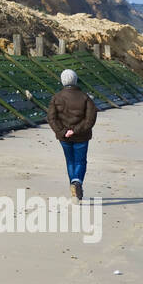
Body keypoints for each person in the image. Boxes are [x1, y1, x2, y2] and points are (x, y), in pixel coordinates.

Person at [46, 68, 97, 200]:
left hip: (64, 137)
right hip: (82, 136)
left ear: (62, 81)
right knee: (80, 161)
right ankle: (77, 182)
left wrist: (63, 131)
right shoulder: (85, 97)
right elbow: (90, 119)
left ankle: (74, 186)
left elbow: (52, 118)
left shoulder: (56, 98)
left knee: (70, 161)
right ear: (75, 80)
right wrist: (76, 130)